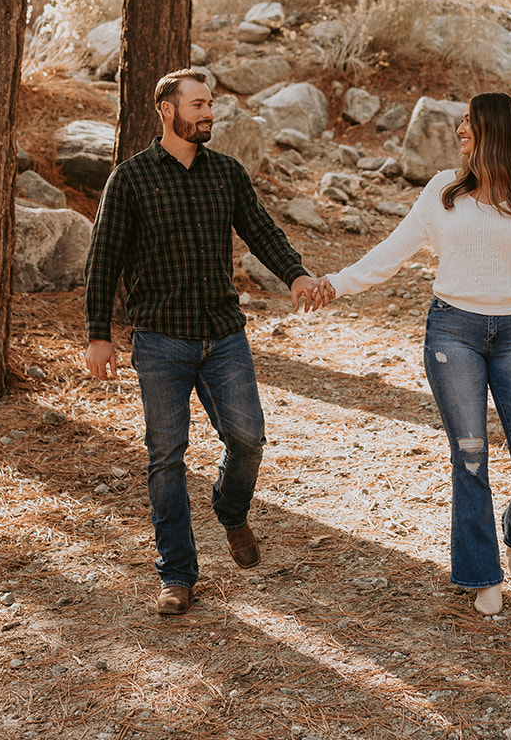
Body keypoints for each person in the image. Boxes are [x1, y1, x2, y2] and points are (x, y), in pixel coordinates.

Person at [319, 91, 511, 616]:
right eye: (459, 122)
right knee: (470, 453)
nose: (460, 131)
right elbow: (391, 252)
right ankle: (482, 575)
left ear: (495, 131)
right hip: (452, 331)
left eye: (469, 123)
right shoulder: (443, 191)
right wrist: (336, 283)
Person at [84, 69, 330, 616]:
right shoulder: (130, 179)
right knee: (166, 458)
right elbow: (103, 259)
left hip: (222, 335)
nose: (209, 113)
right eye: (197, 104)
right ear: (166, 110)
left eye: (210, 104)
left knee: (248, 439)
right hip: (160, 339)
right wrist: (98, 334)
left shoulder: (226, 173)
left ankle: (230, 509)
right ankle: (177, 575)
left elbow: (261, 230)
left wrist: (295, 274)